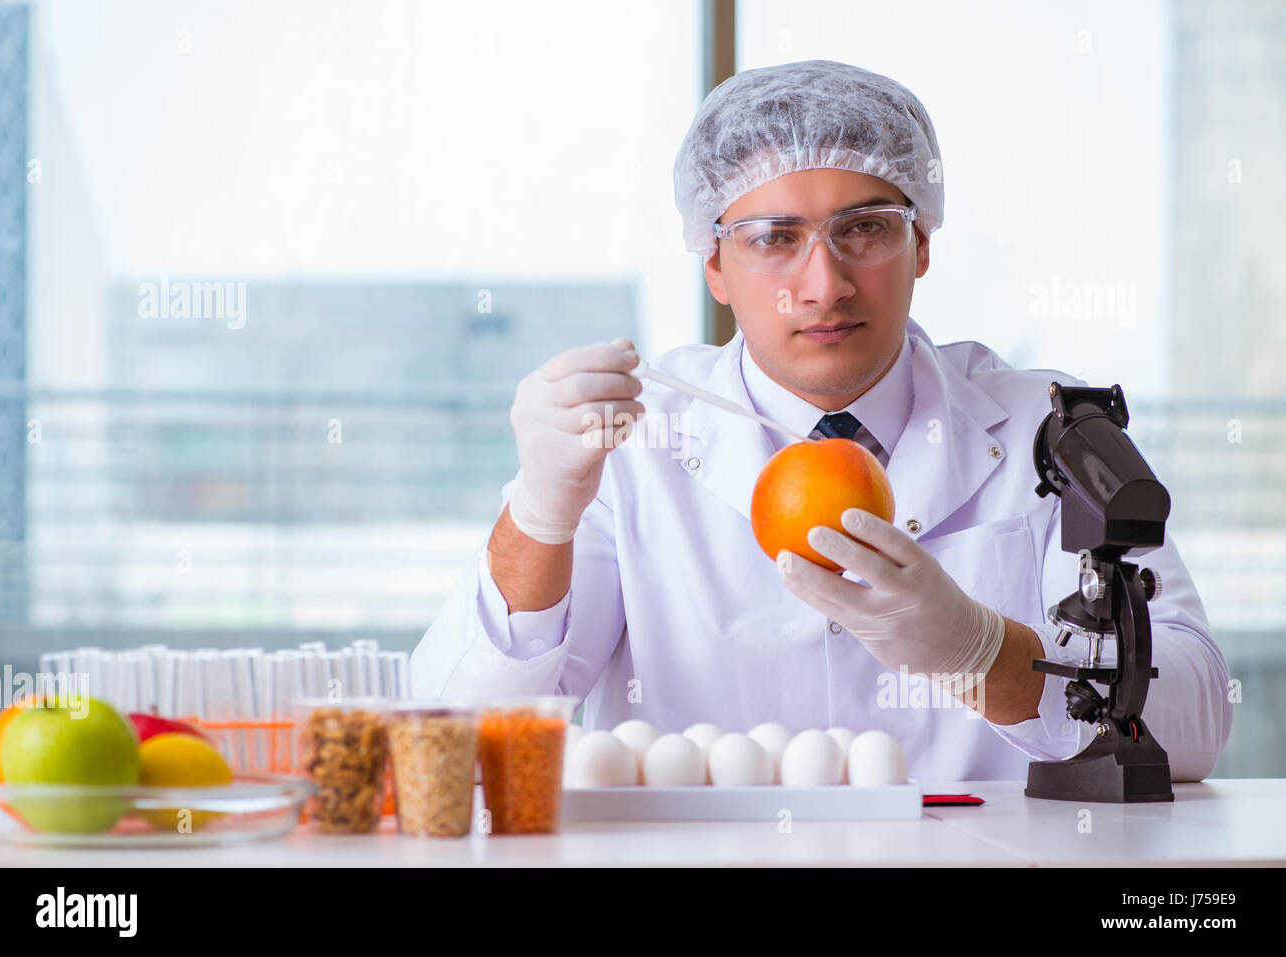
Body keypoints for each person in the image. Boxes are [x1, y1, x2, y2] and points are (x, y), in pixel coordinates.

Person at [411, 60, 1231, 782]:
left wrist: (981, 651)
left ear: (923, 244)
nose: (824, 284)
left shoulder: (1045, 429)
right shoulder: (633, 442)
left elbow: (1194, 723)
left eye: (865, 228)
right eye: (774, 239)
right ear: (715, 267)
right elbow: (460, 741)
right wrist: (538, 516)